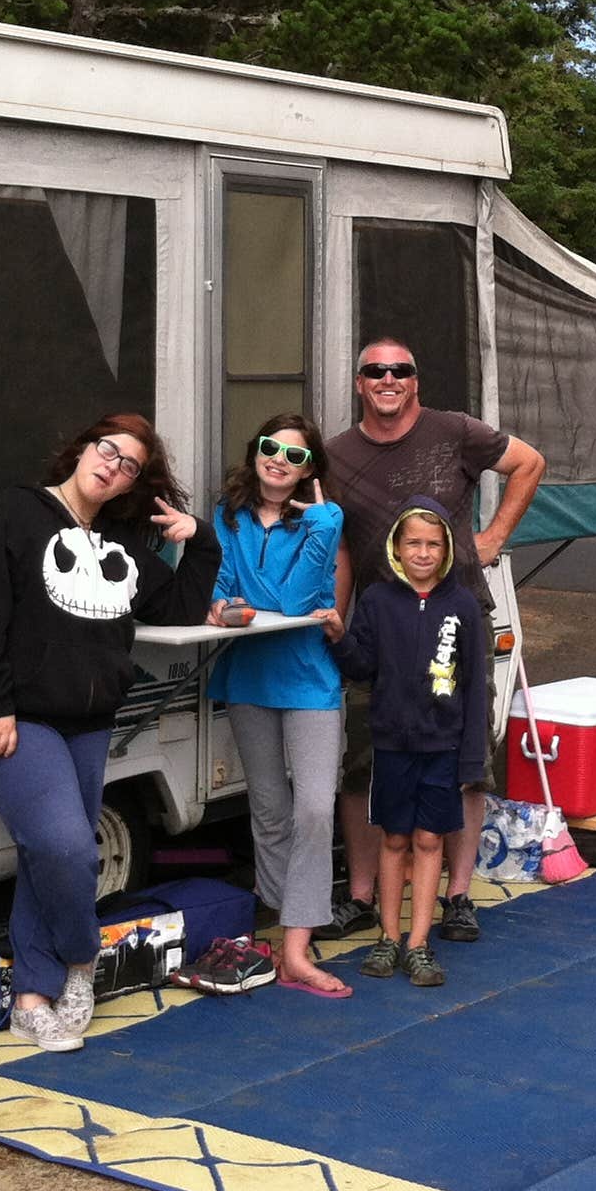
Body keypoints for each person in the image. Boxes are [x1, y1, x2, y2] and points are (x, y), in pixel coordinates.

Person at [0, 413, 220, 1052]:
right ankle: (81, 958)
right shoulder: (13, 514)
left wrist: (199, 540)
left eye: (128, 466)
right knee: (71, 849)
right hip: (17, 718)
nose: (112, 466)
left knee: (44, 854)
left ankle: (34, 999)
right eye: (107, 451)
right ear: (80, 449)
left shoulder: (120, 547)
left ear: (131, 485)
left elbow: (178, 608)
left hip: (90, 722)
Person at [322, 336, 545, 944]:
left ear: (416, 380)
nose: (388, 379)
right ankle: (364, 898)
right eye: (375, 370)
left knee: (465, 763)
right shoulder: (336, 455)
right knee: (363, 765)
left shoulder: (456, 431)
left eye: (401, 370)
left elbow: (530, 463)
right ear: (359, 382)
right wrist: (338, 621)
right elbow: (341, 545)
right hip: (380, 629)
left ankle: (458, 895)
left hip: (458, 620)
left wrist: (494, 535)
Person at [205, 412, 353, 999]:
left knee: (314, 809)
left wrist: (324, 523)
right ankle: (279, 930)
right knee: (267, 809)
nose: (279, 461)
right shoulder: (230, 515)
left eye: (296, 456)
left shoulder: (324, 520)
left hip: (308, 677)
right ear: (255, 449)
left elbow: (291, 601)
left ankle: (296, 947)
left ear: (310, 469)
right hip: (248, 677)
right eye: (271, 448)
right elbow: (222, 592)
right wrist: (221, 607)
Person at [324, 499, 490, 989]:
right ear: (396, 546)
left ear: (448, 550)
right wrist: (336, 635)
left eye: (433, 544)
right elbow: (360, 666)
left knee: (429, 839)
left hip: (442, 748)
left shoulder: (462, 606)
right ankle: (388, 935)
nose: (423, 552)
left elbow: (476, 686)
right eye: (413, 542)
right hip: (391, 746)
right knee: (394, 839)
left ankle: (418, 943)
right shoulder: (376, 600)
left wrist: (472, 756)